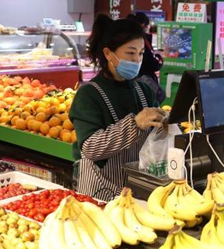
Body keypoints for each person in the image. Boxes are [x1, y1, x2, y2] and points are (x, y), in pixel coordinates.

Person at [69, 15, 169, 200]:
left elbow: (155, 133)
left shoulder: (143, 90)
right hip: (101, 190)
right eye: (130, 53)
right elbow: (90, 148)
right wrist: (135, 124)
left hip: (139, 186)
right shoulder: (89, 94)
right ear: (108, 54)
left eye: (140, 54)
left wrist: (167, 122)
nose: (137, 60)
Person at [126, 12, 165, 102]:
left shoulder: (125, 37)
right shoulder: (142, 39)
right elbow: (152, 63)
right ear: (143, 25)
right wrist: (159, 57)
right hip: (142, 78)